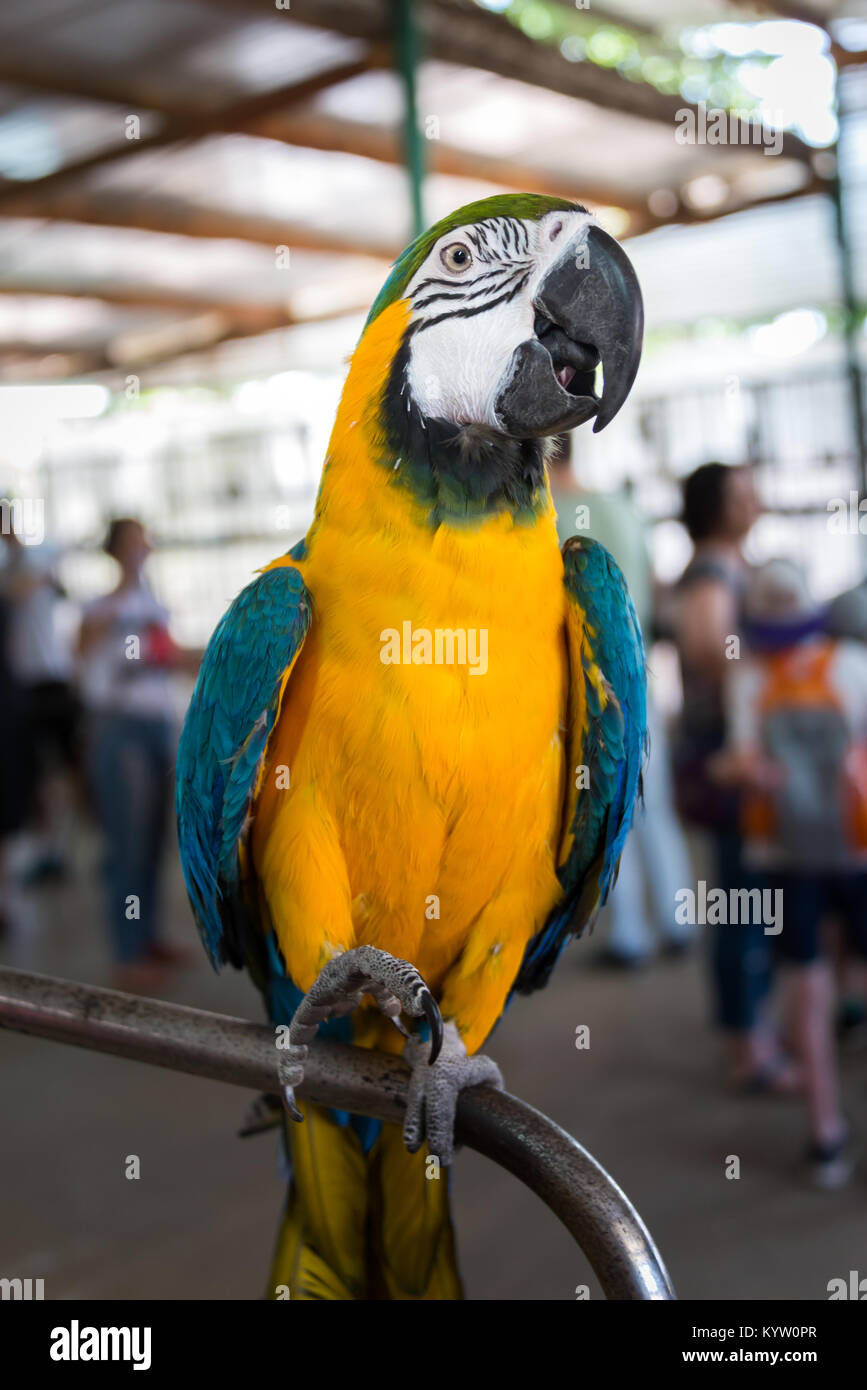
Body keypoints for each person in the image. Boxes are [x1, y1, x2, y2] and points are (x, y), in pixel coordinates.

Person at [715, 559, 867, 1187]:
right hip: (844, 853)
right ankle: (826, 1131)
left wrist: (744, 773)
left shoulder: (749, 680)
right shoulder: (851, 664)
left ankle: (826, 1135)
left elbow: (730, 764)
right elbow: (734, 765)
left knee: (808, 991)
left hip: (787, 857)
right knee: (814, 991)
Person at [671, 462, 793, 1091]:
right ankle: (749, 1048)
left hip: (737, 750)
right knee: (743, 900)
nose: (756, 501)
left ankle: (758, 1033)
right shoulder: (714, 575)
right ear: (718, 508)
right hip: (727, 754)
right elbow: (708, 651)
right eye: (744, 494)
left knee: (749, 895)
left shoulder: (726, 568)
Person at [549, 447, 693, 965]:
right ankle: (680, 922)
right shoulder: (626, 509)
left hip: (581, 693)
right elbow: (655, 586)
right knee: (656, 807)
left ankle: (630, 935)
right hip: (639, 680)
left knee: (607, 810)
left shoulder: (547, 515)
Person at [78, 518, 196, 992]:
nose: (142, 547)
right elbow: (82, 660)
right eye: (133, 540)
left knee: (149, 841)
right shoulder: (101, 607)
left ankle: (146, 937)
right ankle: (127, 952)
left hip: (155, 727)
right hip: (118, 728)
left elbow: (168, 657)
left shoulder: (153, 604)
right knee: (126, 843)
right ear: (117, 549)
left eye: (144, 539)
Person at [0, 528, 80, 880]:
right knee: (33, 774)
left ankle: (67, 844)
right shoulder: (12, 570)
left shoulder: (42, 555)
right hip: (21, 687)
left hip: (53, 679)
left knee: (72, 766)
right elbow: (15, 593)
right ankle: (49, 847)